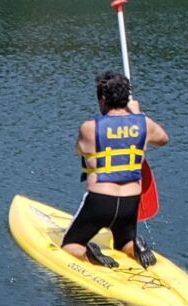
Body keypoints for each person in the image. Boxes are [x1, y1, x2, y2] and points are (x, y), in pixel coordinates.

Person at [60, 68, 168, 269]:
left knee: (69, 245)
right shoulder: (144, 123)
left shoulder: (89, 128)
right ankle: (134, 246)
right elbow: (163, 139)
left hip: (100, 201)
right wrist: (138, 114)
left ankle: (88, 253)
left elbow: (79, 149)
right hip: (130, 202)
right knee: (122, 243)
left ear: (102, 99)